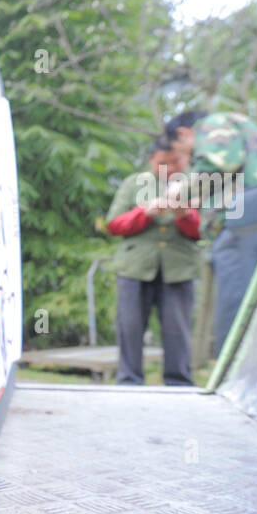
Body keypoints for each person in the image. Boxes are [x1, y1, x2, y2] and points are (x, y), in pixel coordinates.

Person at [162, 110, 257, 352]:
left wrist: (178, 192)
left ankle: (233, 377)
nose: (187, 161)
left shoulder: (213, 124)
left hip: (242, 226)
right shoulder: (243, 129)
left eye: (184, 152)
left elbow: (216, 165)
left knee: (237, 307)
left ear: (183, 134)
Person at [105, 136, 201, 386]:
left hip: (179, 268)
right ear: (151, 160)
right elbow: (114, 224)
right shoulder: (133, 184)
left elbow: (203, 232)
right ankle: (129, 382)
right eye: (162, 163)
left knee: (177, 330)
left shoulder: (197, 184)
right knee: (130, 328)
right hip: (135, 267)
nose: (169, 169)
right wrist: (144, 212)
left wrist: (184, 214)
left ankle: (179, 383)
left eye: (174, 162)